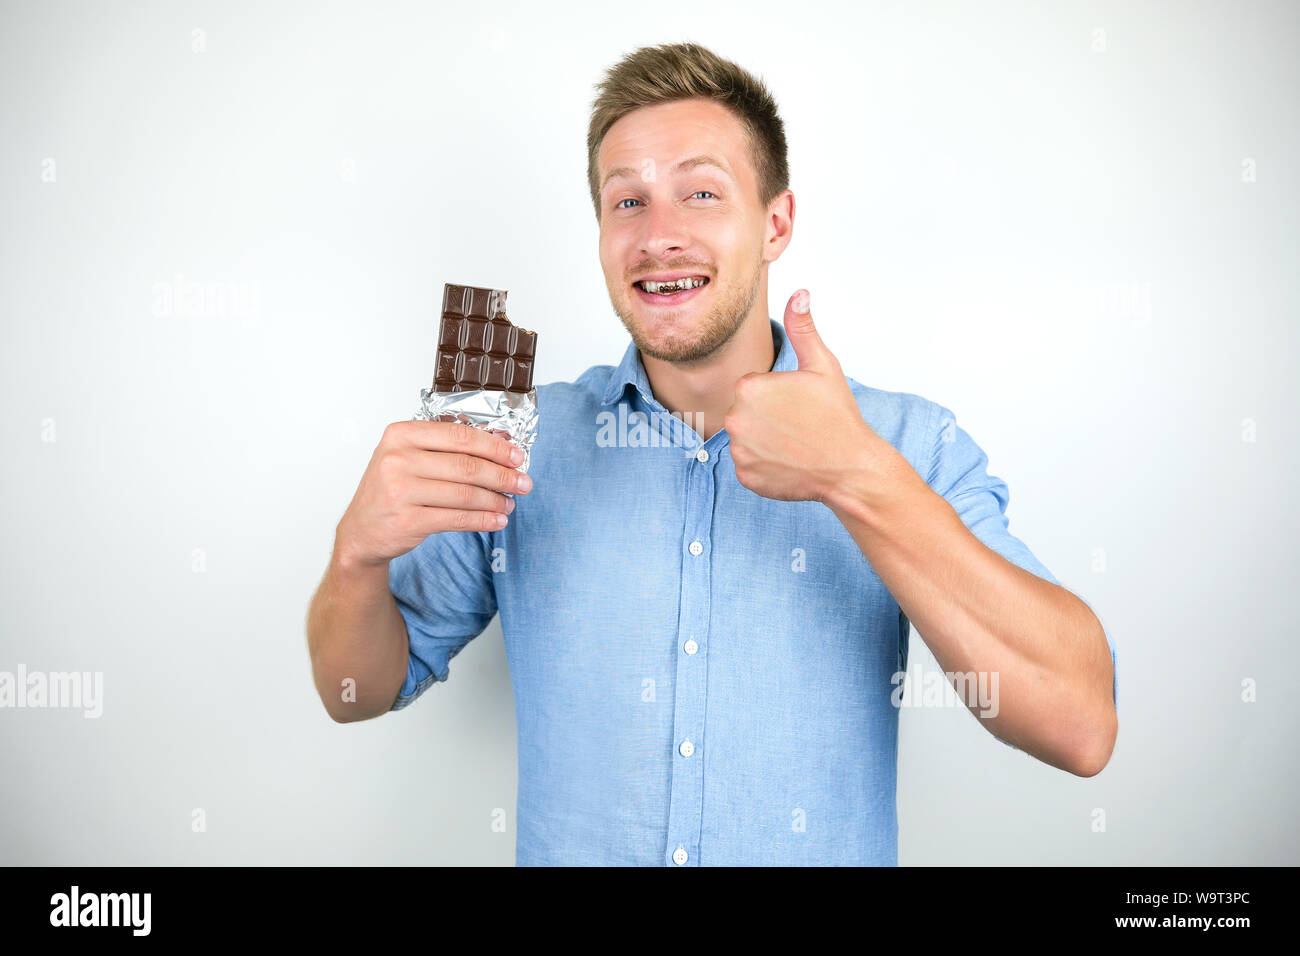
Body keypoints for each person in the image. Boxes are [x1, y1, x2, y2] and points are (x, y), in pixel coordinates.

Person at [306, 41, 1118, 866]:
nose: (660, 237)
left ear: (776, 223)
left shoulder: (911, 442)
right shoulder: (513, 442)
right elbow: (358, 691)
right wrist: (355, 560)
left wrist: (858, 479)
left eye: (700, 193)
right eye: (628, 203)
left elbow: (1081, 727)